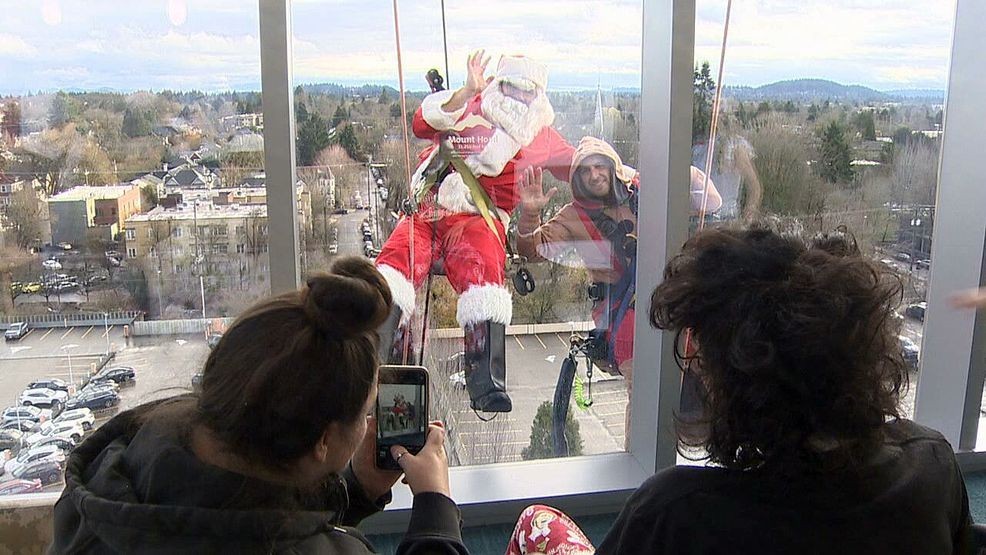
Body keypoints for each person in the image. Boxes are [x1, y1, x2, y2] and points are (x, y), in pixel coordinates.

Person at [503, 224, 972, 555]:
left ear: (736, 384)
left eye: (702, 358)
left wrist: (437, 510)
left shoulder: (676, 516)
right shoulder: (930, 464)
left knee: (536, 525)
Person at [49, 257, 467, 554]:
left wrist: (351, 492)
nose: (369, 423)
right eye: (366, 411)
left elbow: (235, 513)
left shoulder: (113, 479)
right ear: (323, 440)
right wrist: (435, 509)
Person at [375, 50, 575, 413]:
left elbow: (579, 166)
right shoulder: (471, 105)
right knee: (396, 261)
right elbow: (423, 124)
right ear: (499, 84)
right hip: (430, 206)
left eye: (526, 91)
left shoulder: (541, 136)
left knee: (482, 268)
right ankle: (372, 352)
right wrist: (465, 94)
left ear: (539, 95)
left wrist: (623, 176)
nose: (517, 97)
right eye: (510, 86)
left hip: (479, 217)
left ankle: (486, 382)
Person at [516, 137, 721, 384]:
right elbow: (533, 251)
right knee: (643, 397)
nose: (594, 175)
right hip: (626, 320)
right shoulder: (573, 216)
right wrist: (530, 214)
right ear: (576, 179)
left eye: (600, 166)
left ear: (613, 166)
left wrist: (675, 171)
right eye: (585, 170)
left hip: (674, 306)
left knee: (700, 386)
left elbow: (711, 202)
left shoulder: (645, 191)